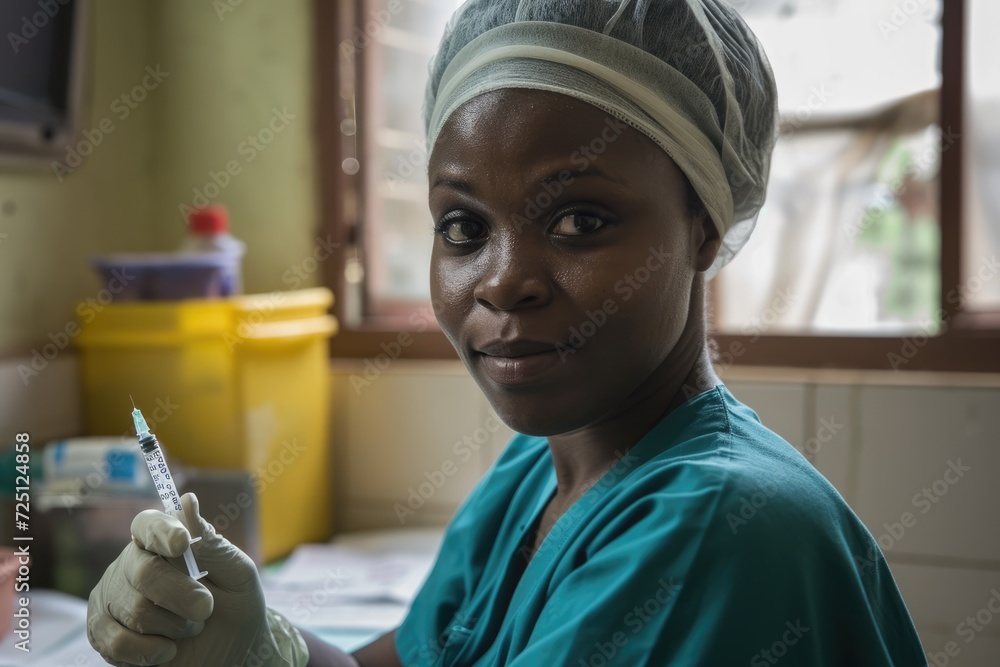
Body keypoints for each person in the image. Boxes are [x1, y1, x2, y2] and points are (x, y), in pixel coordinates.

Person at [87, 1, 927, 665]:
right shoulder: (540, 469)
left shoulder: (715, 528)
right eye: (462, 227)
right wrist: (256, 644)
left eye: (580, 219)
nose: (500, 279)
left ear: (702, 227)